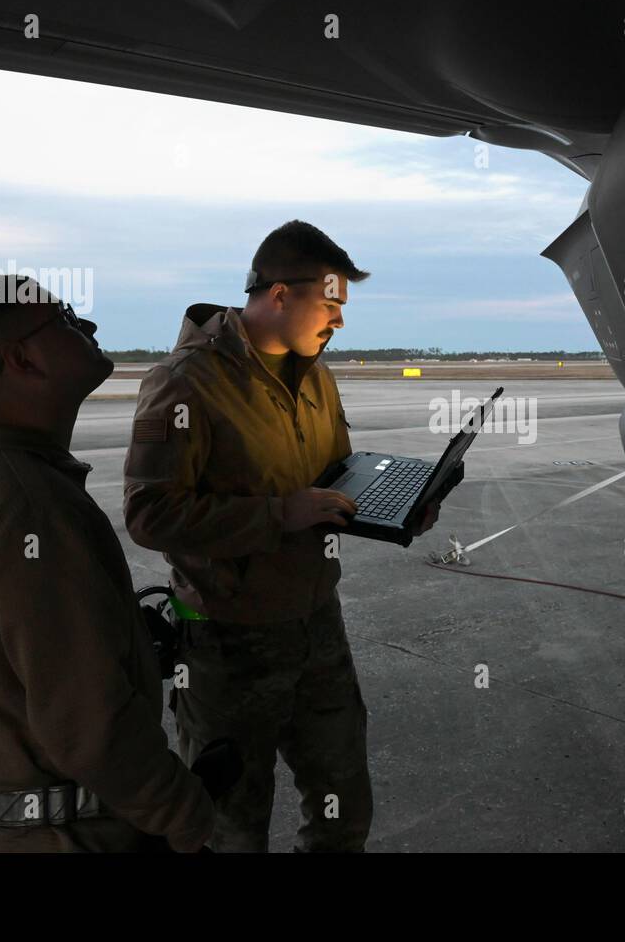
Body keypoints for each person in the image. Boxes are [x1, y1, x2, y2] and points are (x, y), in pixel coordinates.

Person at [124, 221, 439, 852]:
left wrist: (392, 506)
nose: (339, 322)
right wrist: (277, 516)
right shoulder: (186, 382)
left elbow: (332, 477)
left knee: (343, 807)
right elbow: (149, 514)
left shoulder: (313, 373)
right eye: (331, 303)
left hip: (316, 625)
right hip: (226, 641)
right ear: (278, 295)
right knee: (230, 826)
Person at [0, 275, 215, 851]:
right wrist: (187, 818)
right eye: (68, 318)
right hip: (56, 834)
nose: (91, 326)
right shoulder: (29, 503)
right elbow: (89, 727)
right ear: (24, 358)